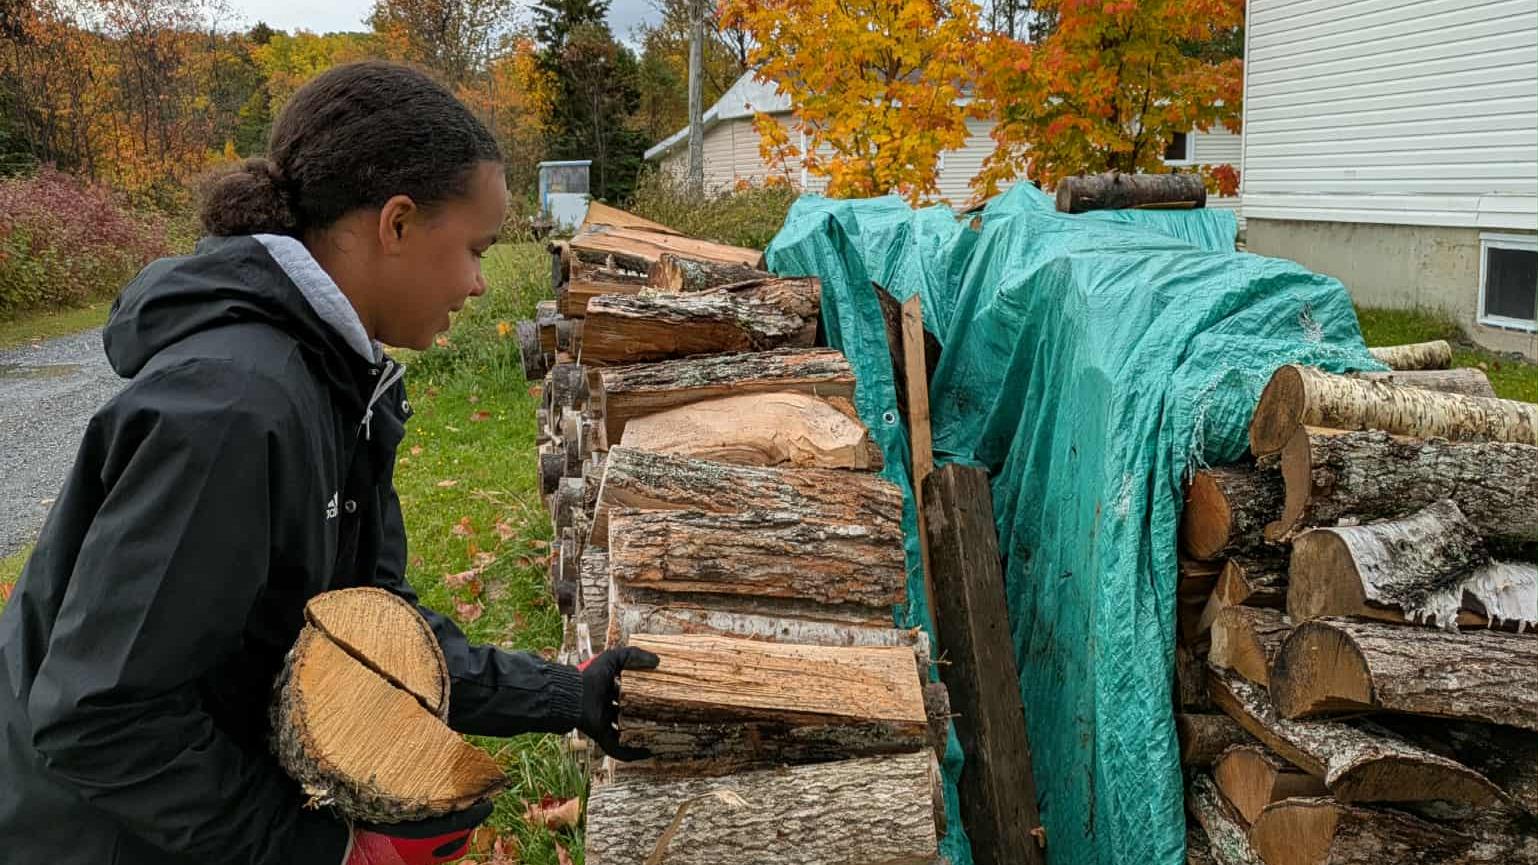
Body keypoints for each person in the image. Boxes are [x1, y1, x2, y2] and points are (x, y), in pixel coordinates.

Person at [0, 60, 657, 865]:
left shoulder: (334, 382)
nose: (481, 285)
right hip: (93, 838)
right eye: (476, 249)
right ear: (398, 224)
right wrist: (325, 852)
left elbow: (369, 630)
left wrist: (571, 694)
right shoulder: (233, 408)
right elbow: (98, 716)